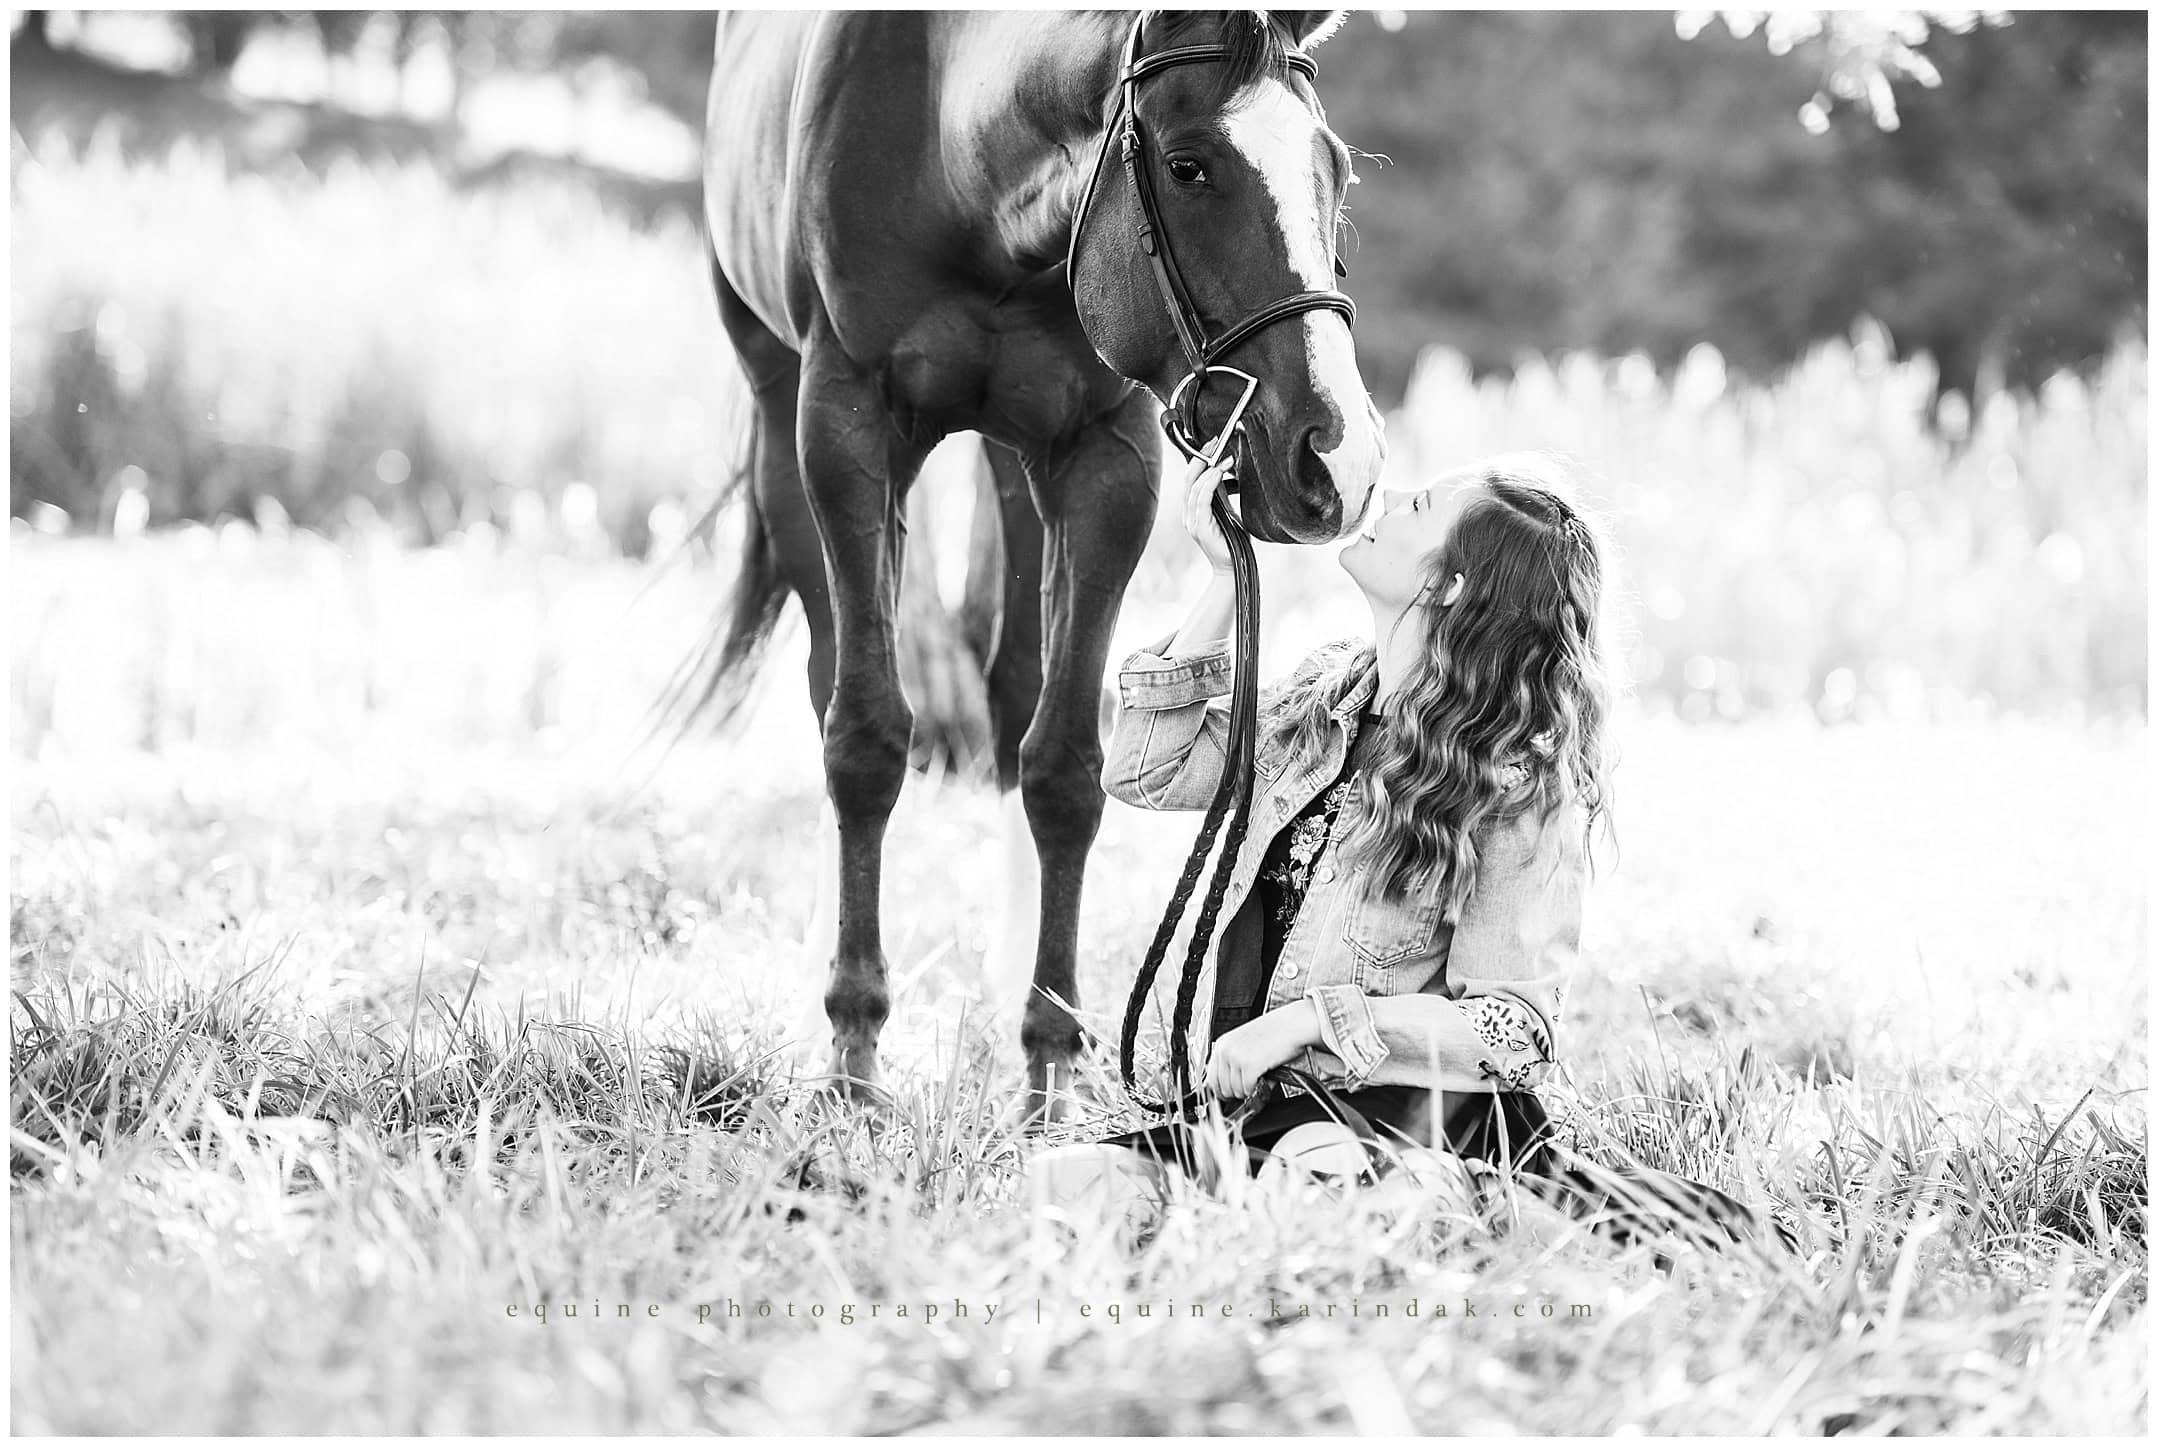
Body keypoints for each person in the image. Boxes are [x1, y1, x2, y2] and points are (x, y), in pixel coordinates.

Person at [1026, 450, 1788, 1258]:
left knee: (1307, 1187)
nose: (1383, 500)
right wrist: (1224, 579)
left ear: (1446, 585)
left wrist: (1302, 1027)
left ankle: (1478, 1203)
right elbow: (1146, 767)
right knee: (1061, 1188)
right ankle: (1378, 1212)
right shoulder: (1326, 702)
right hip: (1281, 1106)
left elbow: (1513, 1028)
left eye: (1417, 506)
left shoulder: (1516, 783)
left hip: (1411, 1108)